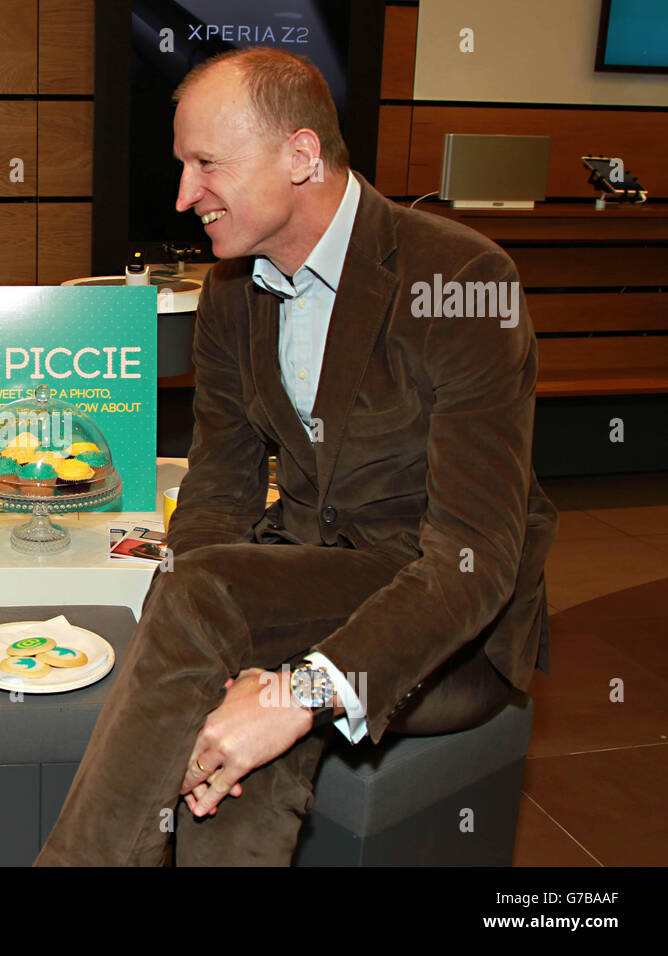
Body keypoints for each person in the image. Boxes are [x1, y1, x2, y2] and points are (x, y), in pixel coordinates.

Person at [36, 48, 557, 866]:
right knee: (225, 711)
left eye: (207, 163)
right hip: (301, 582)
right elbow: (217, 488)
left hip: (445, 623)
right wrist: (219, 670)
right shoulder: (231, 291)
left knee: (222, 634)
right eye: (181, 166)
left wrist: (300, 693)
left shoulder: (463, 279)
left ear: (302, 155)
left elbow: (476, 561)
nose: (184, 195)